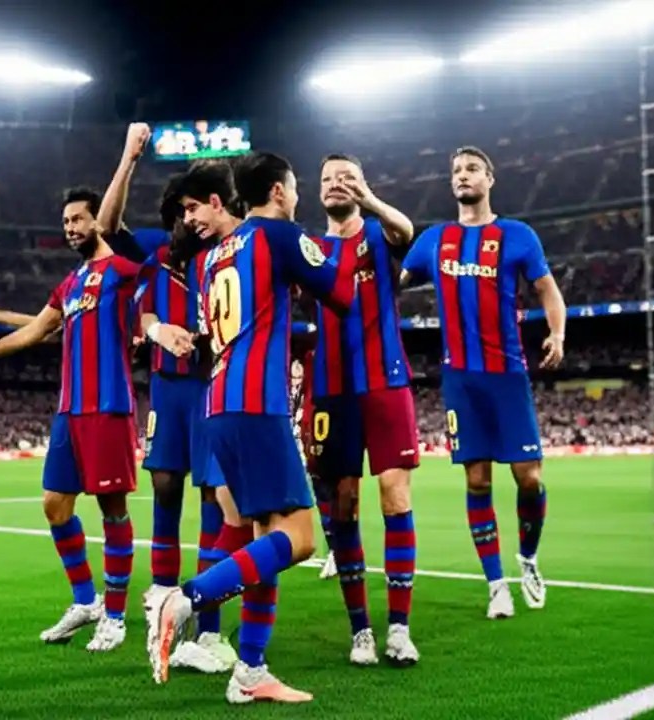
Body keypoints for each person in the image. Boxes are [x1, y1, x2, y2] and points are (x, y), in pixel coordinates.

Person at [146, 152, 356, 703]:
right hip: (257, 404)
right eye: (296, 188)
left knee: (263, 536)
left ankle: (251, 671)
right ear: (280, 191)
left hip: (218, 402)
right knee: (299, 539)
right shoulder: (277, 235)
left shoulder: (213, 257)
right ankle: (183, 600)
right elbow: (342, 292)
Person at [0, 187, 140, 653]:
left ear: (98, 220)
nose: (71, 228)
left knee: (113, 510)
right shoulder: (71, 283)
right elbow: (38, 327)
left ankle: (115, 616)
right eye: (66, 222)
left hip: (108, 406)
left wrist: (129, 159)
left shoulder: (124, 271)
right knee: (55, 505)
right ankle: (86, 601)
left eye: (78, 219)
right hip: (69, 410)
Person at [98, 125, 249, 673]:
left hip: (215, 384)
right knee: (165, 488)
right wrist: (129, 156)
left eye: (193, 210)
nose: (187, 221)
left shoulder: (229, 251)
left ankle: (207, 628)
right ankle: (164, 603)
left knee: (214, 497)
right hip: (168, 388)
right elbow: (107, 227)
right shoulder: (158, 253)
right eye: (180, 212)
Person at [400, 146, 566, 619]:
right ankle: (496, 584)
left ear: (490, 179)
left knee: (529, 477)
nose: (462, 175)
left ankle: (528, 558)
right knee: (477, 480)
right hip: (460, 380)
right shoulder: (434, 239)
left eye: (472, 168)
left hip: (507, 376)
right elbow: (393, 281)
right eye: (456, 170)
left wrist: (557, 332)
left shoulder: (517, 236)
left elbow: (548, 291)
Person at [306, 153, 420, 665]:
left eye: (345, 177)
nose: (336, 184)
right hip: (332, 389)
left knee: (395, 497)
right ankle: (361, 631)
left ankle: (399, 628)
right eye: (328, 179)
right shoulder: (309, 249)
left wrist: (368, 198)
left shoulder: (378, 233)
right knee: (344, 504)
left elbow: (405, 231)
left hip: (386, 382)